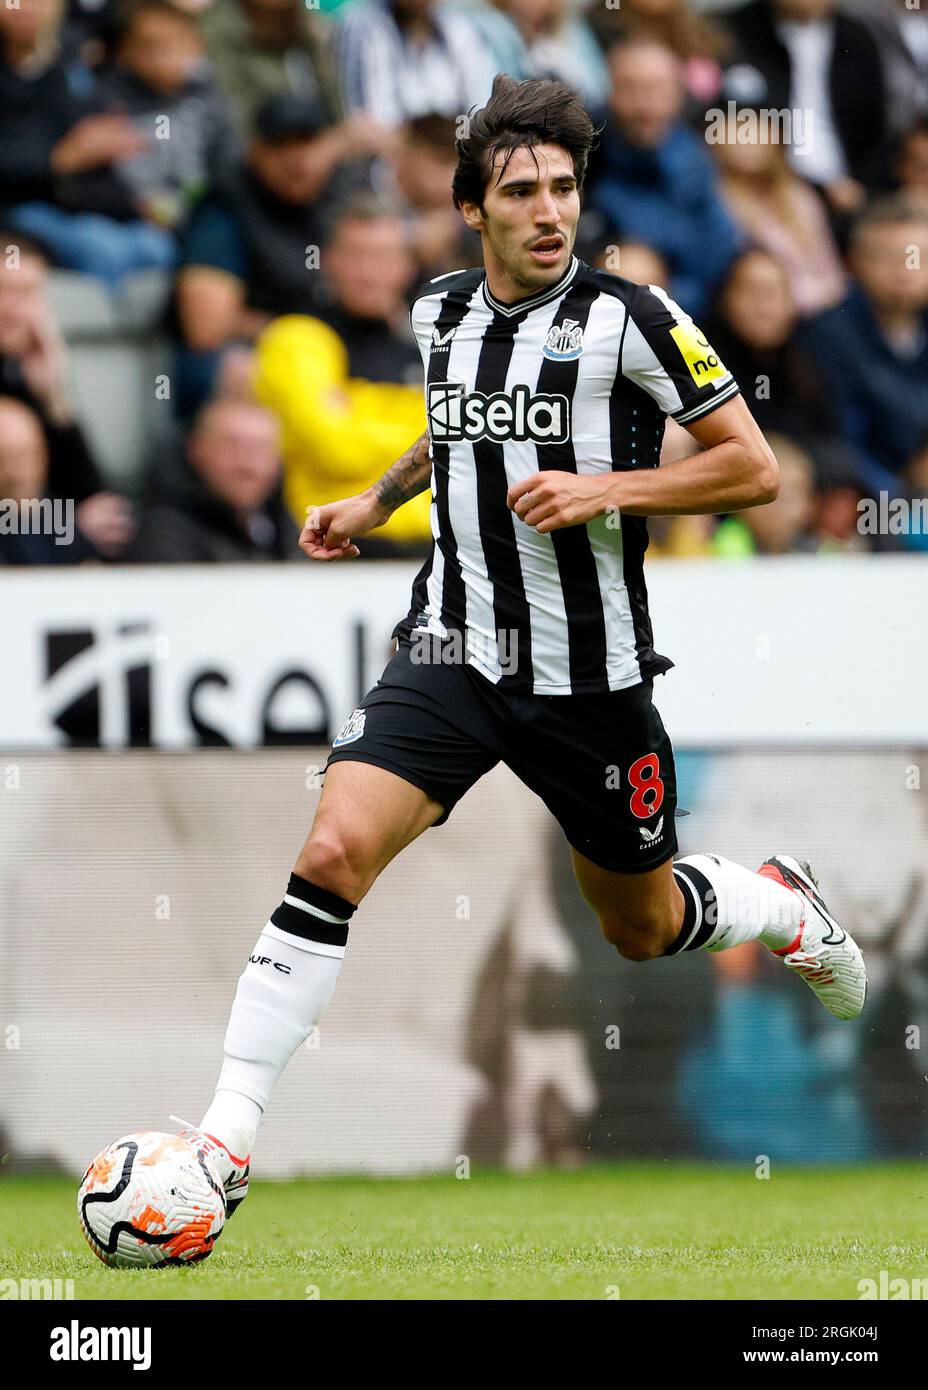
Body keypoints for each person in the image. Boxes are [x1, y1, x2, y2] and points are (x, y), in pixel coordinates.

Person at [174, 77, 867, 1216]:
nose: (550, 211)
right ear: (471, 209)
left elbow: (755, 468)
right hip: (451, 647)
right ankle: (223, 1143)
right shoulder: (438, 310)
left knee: (637, 927)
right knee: (336, 850)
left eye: (564, 188)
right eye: (522, 191)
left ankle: (782, 906)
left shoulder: (635, 319)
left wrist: (608, 487)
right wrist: (374, 500)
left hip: (588, 681)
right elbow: (451, 428)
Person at [253, 197, 431, 552]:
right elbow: (334, 447)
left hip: (432, 547)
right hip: (335, 546)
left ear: (406, 267)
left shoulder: (427, 345)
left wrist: (358, 413)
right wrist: (414, 428)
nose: (367, 271)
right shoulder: (296, 336)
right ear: (329, 260)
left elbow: (463, 442)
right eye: (354, 254)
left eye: (381, 257)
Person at [0, 231, 134, 556]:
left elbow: (94, 503)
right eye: (5, 292)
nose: (16, 311)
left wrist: (54, 402)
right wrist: (71, 530)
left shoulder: (23, 376)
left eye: (29, 294)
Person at [587, 38, 741, 315]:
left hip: (699, 307)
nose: (645, 106)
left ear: (678, 94)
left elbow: (719, 242)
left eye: (657, 89)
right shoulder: (586, 155)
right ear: (609, 92)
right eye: (631, 88)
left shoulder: (690, 151)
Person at [800, 195, 928, 490]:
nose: (904, 272)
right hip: (871, 500)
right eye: (887, 256)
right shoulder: (828, 334)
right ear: (855, 261)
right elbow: (842, 444)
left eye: (917, 258)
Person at [127, 398, 298, 562]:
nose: (246, 461)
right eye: (230, 445)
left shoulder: (285, 529)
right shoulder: (163, 536)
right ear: (195, 450)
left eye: (260, 447)